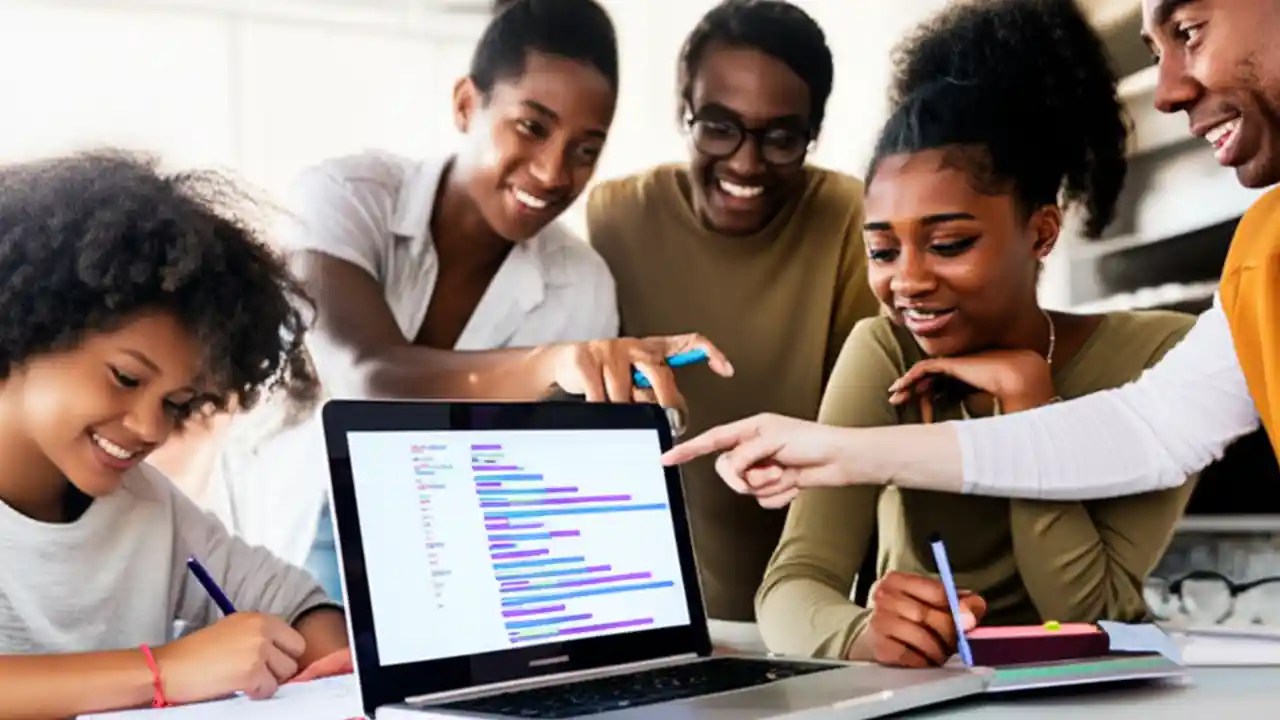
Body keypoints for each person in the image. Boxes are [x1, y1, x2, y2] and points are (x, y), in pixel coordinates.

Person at [662, 0, 1280, 510]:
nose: (1168, 91)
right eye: (883, 247)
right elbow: (1151, 431)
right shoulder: (1262, 251)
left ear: (1042, 233)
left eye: (1189, 33)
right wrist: (839, 452)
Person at [208, 0, 731, 599]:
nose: (554, 172)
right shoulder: (345, 198)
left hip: (456, 562)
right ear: (466, 104)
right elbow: (366, 376)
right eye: (532, 127)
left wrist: (628, 425)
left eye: (586, 149)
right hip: (301, 534)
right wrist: (550, 364)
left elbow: (550, 481)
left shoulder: (581, 281)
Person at [751, 0, 1198, 667]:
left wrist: (1029, 408)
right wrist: (859, 634)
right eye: (883, 251)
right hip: (925, 697)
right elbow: (791, 586)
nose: (908, 282)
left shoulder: (1160, 357)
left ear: (1040, 232)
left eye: (950, 243)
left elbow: (1094, 616)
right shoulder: (885, 351)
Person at [0, 151, 349, 717]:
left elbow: (297, 605)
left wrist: (324, 662)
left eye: (178, 404)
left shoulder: (148, 508)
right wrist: (165, 670)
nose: (149, 428)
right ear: (29, 326)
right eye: (126, 377)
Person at [586, 0, 879, 622]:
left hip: (818, 602)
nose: (746, 164)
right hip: (647, 602)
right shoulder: (613, 218)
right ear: (682, 111)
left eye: (781, 138)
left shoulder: (853, 220)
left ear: (814, 132)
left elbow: (871, 428)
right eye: (718, 127)